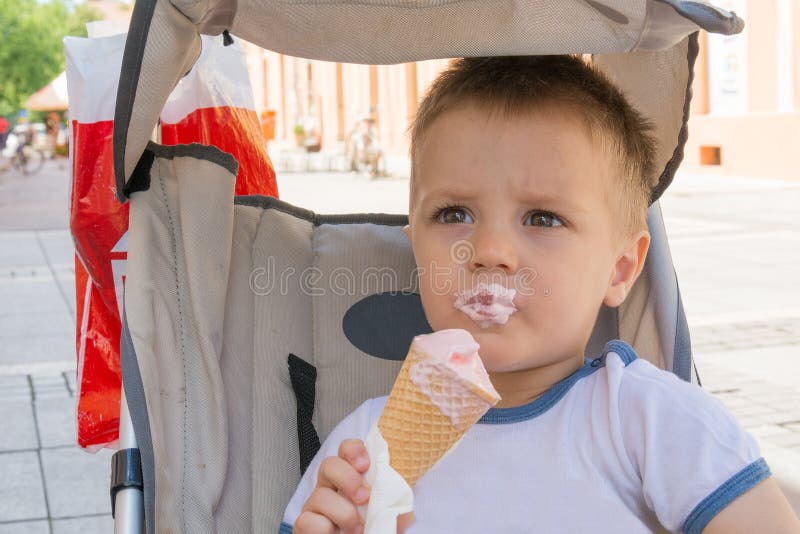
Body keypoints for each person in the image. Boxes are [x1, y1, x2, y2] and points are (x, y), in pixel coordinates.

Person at [282, 56, 800, 533]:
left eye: (543, 218)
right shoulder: (364, 447)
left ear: (619, 269)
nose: (489, 250)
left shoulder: (647, 420)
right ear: (415, 247)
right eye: (454, 214)